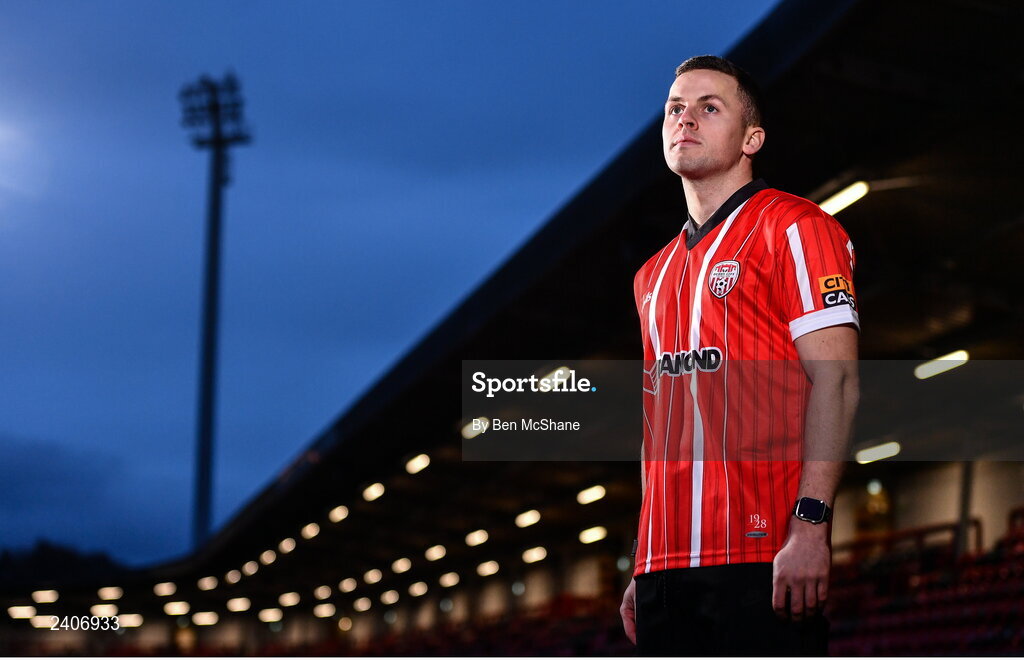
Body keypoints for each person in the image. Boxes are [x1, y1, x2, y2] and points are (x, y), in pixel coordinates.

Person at [618, 55, 860, 656]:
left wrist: (811, 525)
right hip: (664, 566)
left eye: (709, 108)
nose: (685, 120)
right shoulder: (651, 276)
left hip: (763, 555)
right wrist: (642, 557)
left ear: (752, 138)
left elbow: (837, 383)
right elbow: (656, 426)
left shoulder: (796, 228)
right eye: (675, 109)